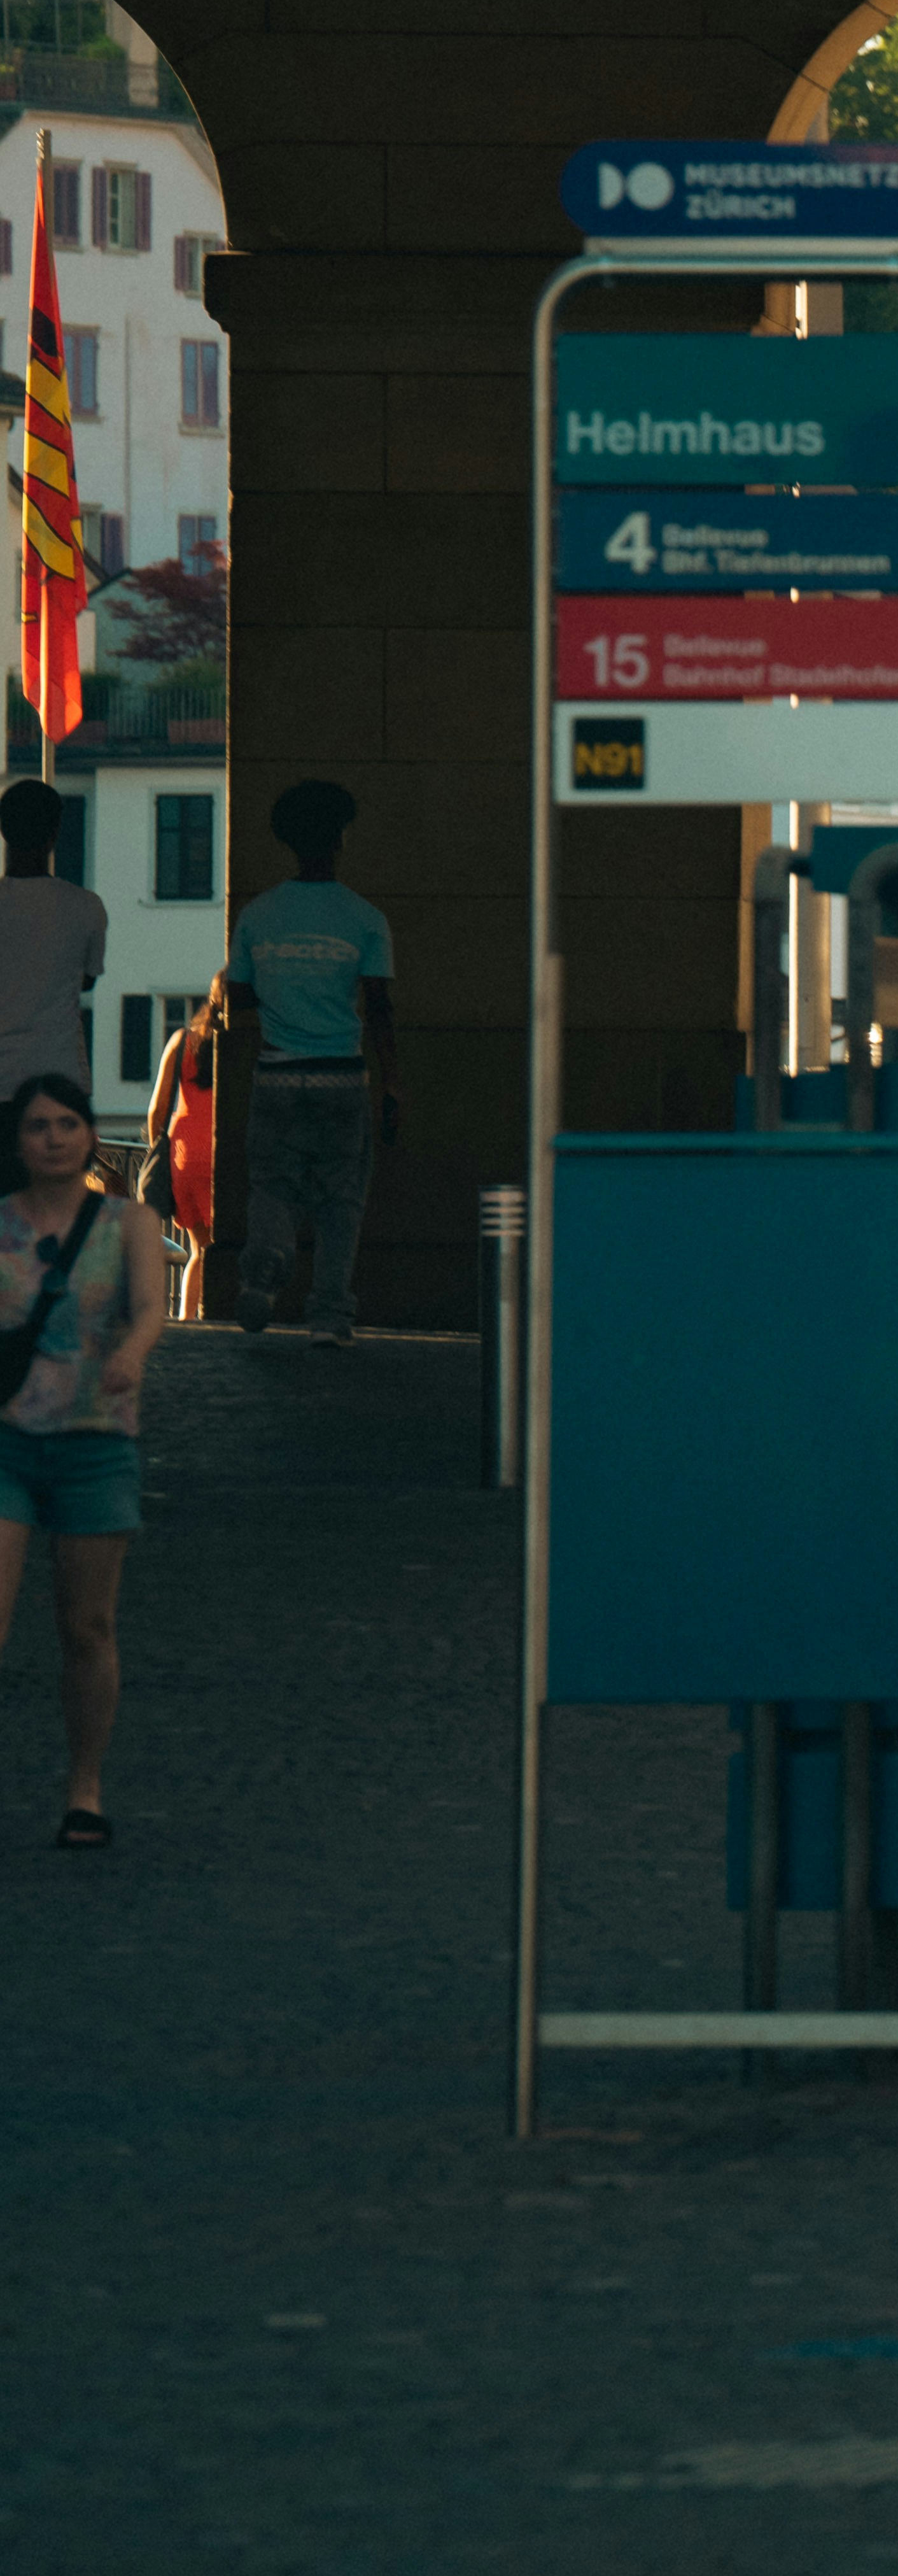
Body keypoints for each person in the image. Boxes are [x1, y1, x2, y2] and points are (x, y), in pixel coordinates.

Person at [0, 1073, 155, 1846]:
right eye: (37, 1125)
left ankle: (84, 1787)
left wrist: (131, 1350)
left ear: (90, 1134)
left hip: (97, 1441)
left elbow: (154, 1307)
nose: (54, 1137)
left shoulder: (129, 1222)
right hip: (9, 1442)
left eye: (67, 1123)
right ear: (18, 1140)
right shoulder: (0, 1226)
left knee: (86, 1627)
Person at [226, 778, 394, 1344]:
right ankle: (328, 1317)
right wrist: (392, 1086)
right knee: (340, 1200)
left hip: (276, 1073)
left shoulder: (258, 915)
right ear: (341, 839)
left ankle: (264, 1275)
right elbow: (379, 1009)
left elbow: (239, 996)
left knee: (273, 1187)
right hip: (342, 1077)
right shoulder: (365, 919)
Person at [0, 780, 107, 1117]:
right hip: (60, 1084)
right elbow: (87, 980)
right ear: (55, 833)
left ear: (3, 830)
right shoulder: (87, 907)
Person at [135, 984, 224, 1322]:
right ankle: (213, 1317)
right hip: (224, 1151)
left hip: (186, 1153)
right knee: (224, 1249)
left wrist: (160, 1145)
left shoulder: (184, 1041)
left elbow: (157, 1108)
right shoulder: (246, 1046)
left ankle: (189, 1321)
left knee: (199, 1249)